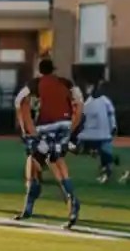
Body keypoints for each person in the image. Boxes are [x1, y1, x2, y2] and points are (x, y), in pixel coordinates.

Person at [14, 59, 83, 228]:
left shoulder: (36, 83)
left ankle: (30, 203)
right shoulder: (66, 83)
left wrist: (26, 129)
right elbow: (80, 103)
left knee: (34, 160)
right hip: (65, 126)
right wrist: (72, 128)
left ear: (40, 71)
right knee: (56, 160)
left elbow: (19, 100)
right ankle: (71, 199)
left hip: (46, 127)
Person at [77, 79, 117, 183]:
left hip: (103, 134)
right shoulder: (87, 102)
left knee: (104, 154)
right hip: (89, 134)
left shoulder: (105, 101)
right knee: (82, 149)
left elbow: (111, 115)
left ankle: (106, 172)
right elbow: (82, 118)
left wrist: (113, 127)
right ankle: (107, 160)